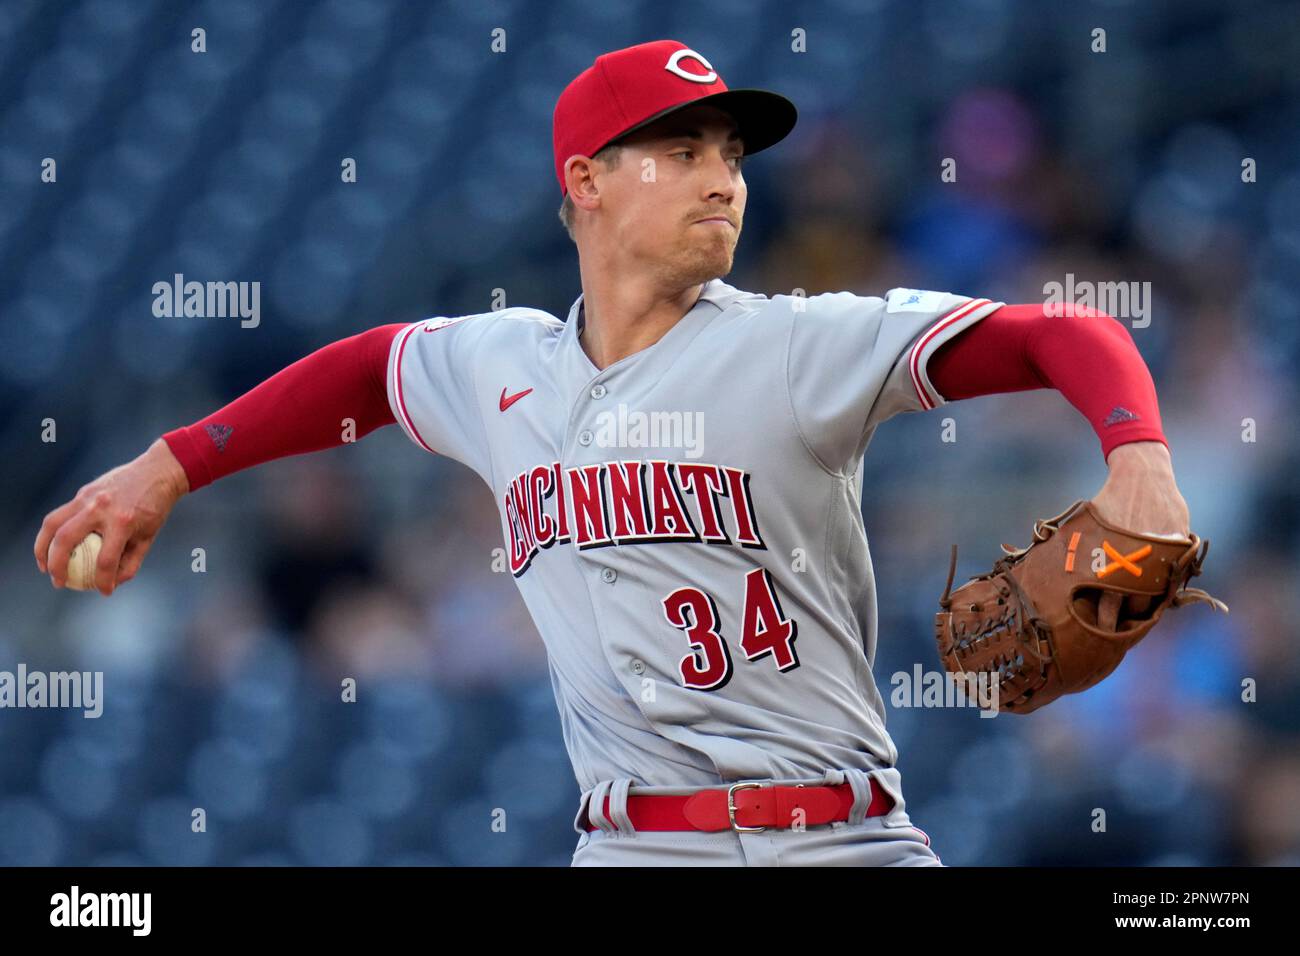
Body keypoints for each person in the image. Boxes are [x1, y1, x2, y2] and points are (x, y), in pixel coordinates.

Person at [34, 39, 1189, 866]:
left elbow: (1064, 332)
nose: (723, 174)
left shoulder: (797, 346)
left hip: (843, 837)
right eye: (679, 149)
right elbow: (363, 371)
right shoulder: (501, 366)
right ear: (584, 180)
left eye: (729, 152)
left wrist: (1136, 456)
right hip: (632, 845)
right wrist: (170, 463)